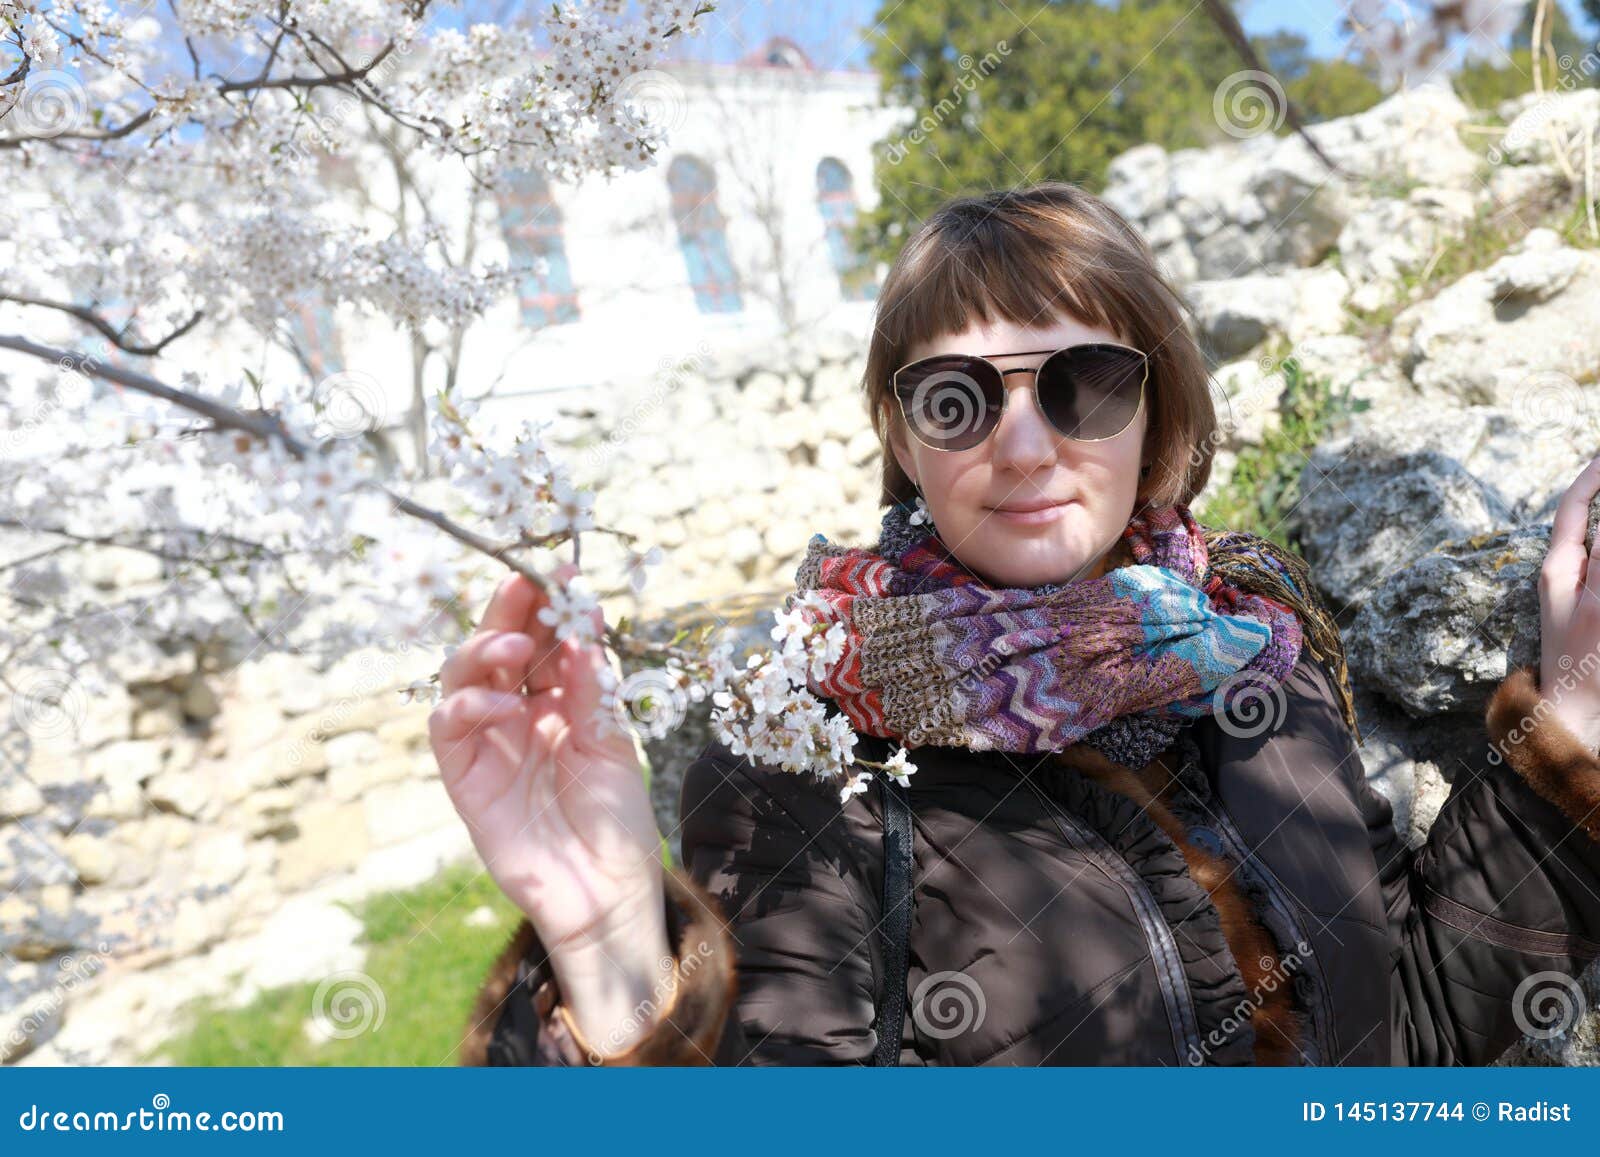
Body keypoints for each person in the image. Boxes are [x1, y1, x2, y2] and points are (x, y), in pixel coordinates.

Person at [433, 182, 1600, 1066]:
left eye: (1083, 382)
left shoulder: (1259, 648)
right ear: (901, 439)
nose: (1028, 443)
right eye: (958, 398)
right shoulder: (805, 747)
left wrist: (1575, 725)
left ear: (1157, 409)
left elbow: (1407, 1036)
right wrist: (607, 946)